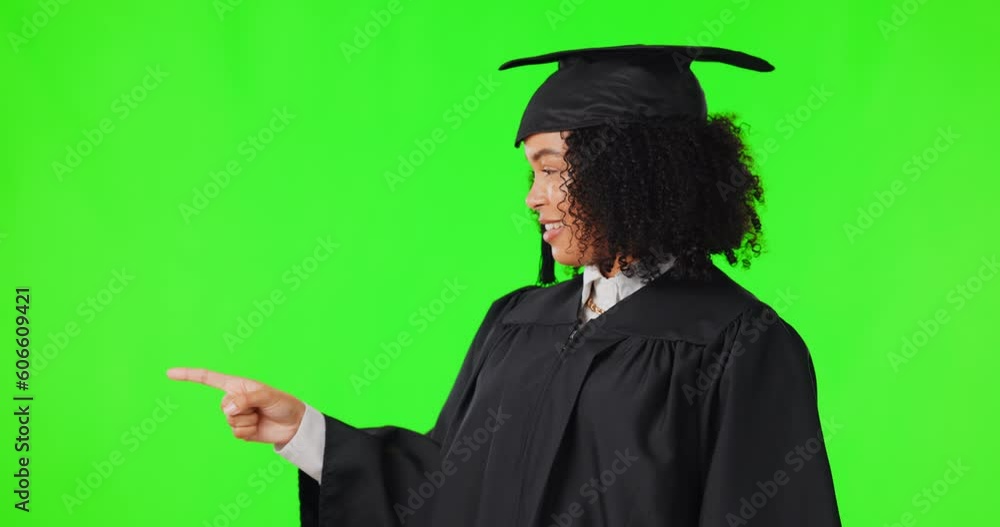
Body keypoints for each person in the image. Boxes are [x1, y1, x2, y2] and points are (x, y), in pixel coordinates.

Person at [168, 44, 842, 526]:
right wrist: (307, 434)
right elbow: (445, 486)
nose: (532, 198)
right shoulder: (517, 320)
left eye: (552, 169)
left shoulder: (737, 344)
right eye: (530, 172)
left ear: (627, 171)